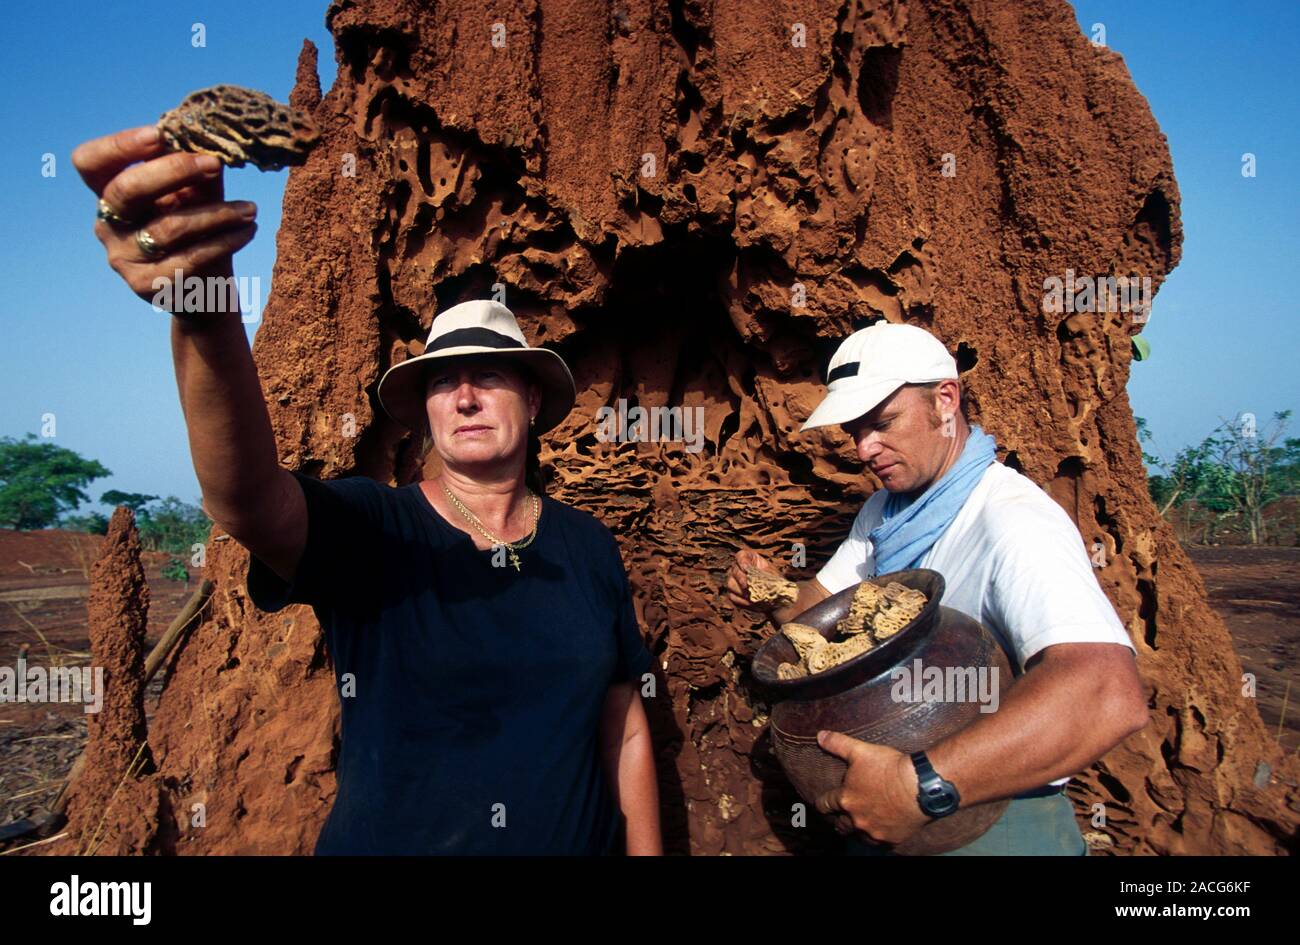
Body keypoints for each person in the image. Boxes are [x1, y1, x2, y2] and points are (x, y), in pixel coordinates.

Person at [72, 125, 662, 855]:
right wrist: (202, 306)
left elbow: (624, 721)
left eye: (490, 375)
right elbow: (247, 498)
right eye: (444, 381)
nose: (466, 395)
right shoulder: (377, 528)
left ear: (534, 400)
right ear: (427, 412)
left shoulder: (587, 545)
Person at [726, 321, 1148, 855]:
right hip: (892, 817)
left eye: (882, 423)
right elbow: (818, 613)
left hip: (989, 822)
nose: (864, 449)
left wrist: (920, 785)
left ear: (946, 400)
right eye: (855, 430)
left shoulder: (1011, 520)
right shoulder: (886, 512)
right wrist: (771, 591)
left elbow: (1107, 694)